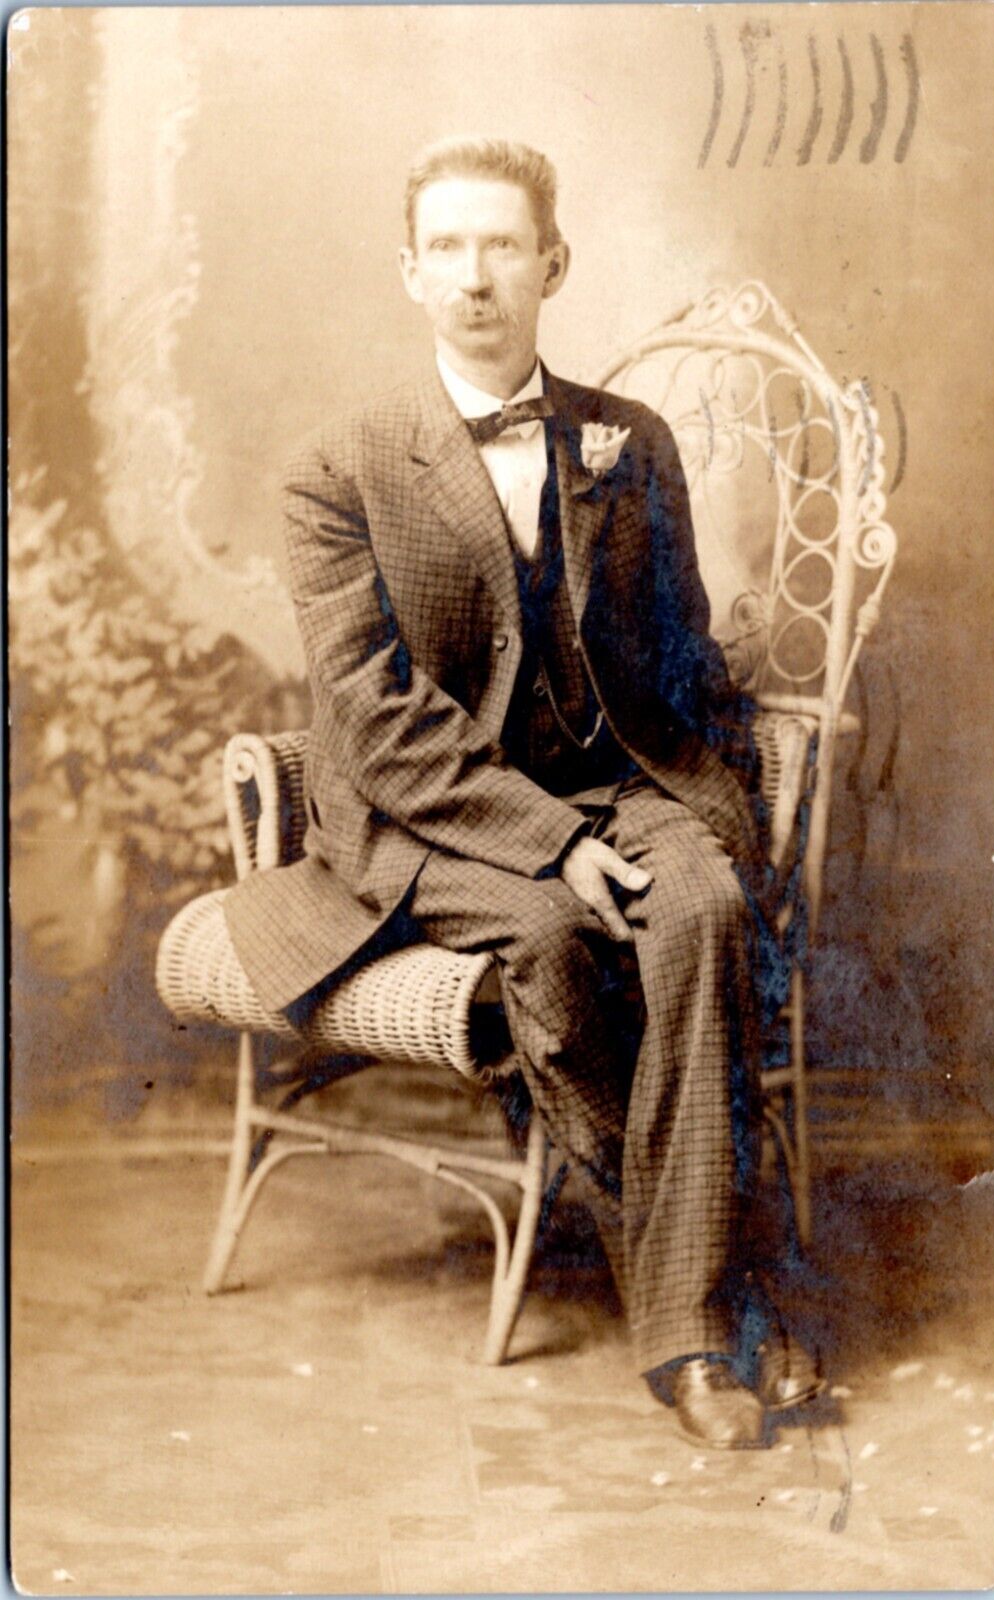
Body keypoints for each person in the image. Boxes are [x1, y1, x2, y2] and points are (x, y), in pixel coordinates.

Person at [226, 137, 822, 1448]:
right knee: (555, 937)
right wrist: (553, 848)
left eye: (502, 245)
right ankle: (709, 1321)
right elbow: (376, 721)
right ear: (409, 274)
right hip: (420, 817)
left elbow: (679, 659)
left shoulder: (630, 441)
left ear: (551, 264)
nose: (476, 276)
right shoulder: (338, 469)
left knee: (703, 909)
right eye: (446, 247)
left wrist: (713, 814)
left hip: (618, 780)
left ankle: (697, 1303)